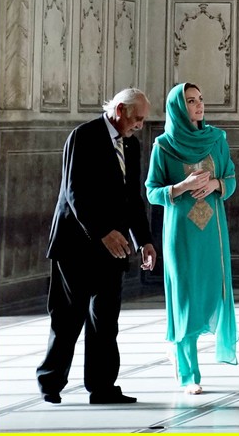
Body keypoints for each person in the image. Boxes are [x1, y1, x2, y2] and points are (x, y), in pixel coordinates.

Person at [37, 88, 158, 405]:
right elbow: (75, 192)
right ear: (120, 110)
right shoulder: (84, 136)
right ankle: (50, 383)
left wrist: (143, 240)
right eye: (138, 118)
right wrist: (103, 231)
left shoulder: (130, 145)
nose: (140, 126)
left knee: (105, 321)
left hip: (113, 247)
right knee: (67, 318)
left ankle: (102, 387)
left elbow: (133, 198)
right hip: (76, 245)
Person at [144, 82, 238, 394]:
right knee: (184, 298)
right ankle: (188, 372)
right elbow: (152, 191)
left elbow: (231, 178)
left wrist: (216, 185)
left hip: (212, 233)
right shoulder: (164, 146)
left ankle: (179, 347)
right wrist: (181, 186)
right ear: (177, 107)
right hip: (181, 232)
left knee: (212, 293)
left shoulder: (217, 139)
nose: (198, 106)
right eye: (190, 101)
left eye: (200, 99)